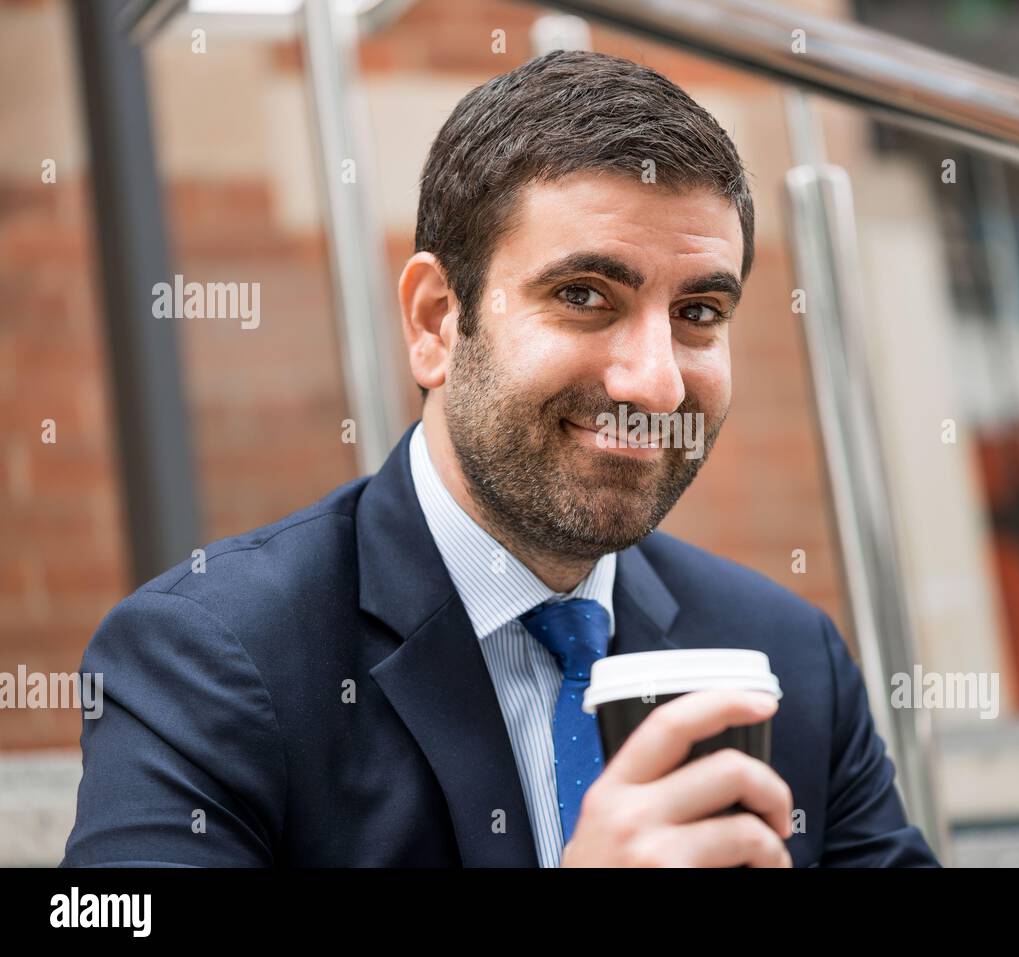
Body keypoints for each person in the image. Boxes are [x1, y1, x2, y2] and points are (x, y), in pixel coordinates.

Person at [61, 50, 938, 868]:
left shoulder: (785, 653)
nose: (658, 385)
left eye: (699, 312)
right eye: (586, 296)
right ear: (438, 320)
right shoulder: (209, 656)